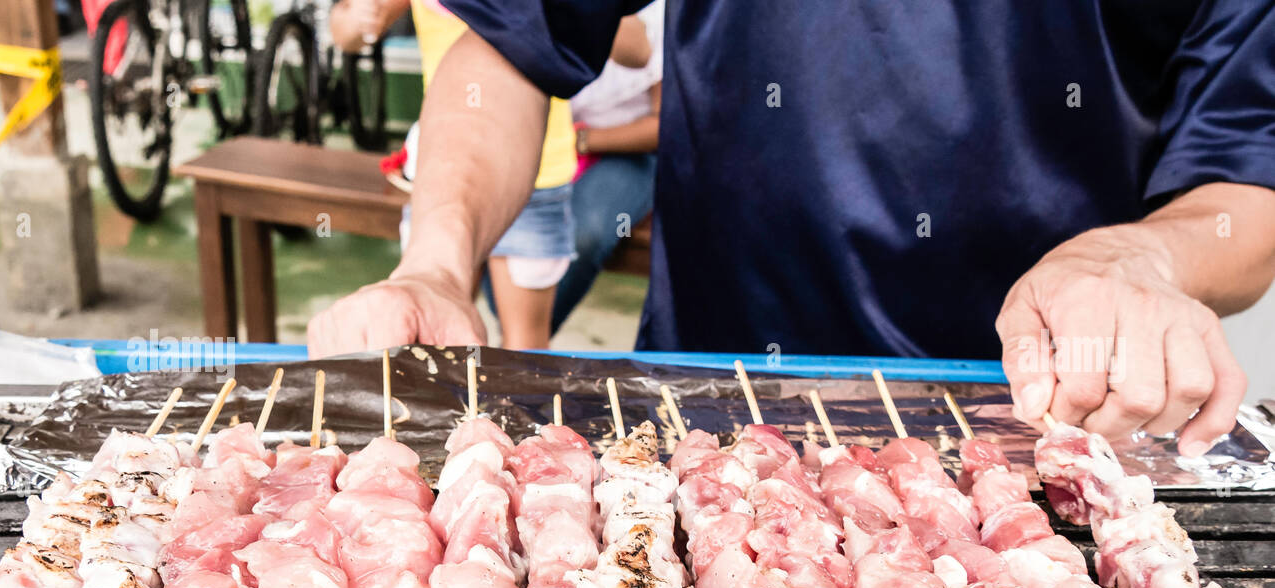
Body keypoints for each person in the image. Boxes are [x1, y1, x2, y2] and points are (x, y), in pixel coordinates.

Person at [308, 1, 1275, 456]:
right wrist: (435, 262)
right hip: (705, 411)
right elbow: (511, 50)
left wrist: (1140, 254)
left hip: (1048, 427)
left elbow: (1246, 177)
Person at [329, 0, 578, 349]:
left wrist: (593, 24)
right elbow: (346, 28)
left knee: (524, 343)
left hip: (540, 171)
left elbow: (634, 48)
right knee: (433, 336)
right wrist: (359, 19)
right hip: (439, 169)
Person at [550, 3, 664, 334]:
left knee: (585, 232)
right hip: (547, 144)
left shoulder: (655, 14)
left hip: (629, 149)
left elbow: (664, 124)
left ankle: (522, 341)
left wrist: (582, 140)